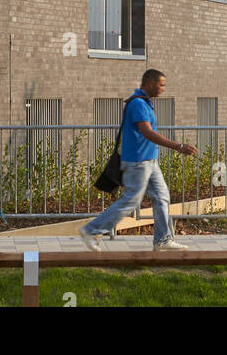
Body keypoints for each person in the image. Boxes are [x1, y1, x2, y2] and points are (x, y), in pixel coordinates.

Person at [81, 68, 197, 251]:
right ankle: (91, 230)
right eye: (161, 85)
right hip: (137, 162)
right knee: (131, 201)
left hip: (150, 161)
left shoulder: (145, 103)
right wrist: (178, 146)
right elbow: (147, 132)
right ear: (150, 83)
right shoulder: (138, 105)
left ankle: (163, 239)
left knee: (162, 197)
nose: (163, 89)